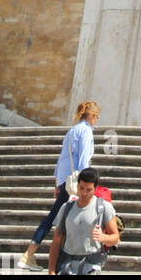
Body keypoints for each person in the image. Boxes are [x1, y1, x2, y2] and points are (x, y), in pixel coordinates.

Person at [19, 99, 100, 270]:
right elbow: (84, 160)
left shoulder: (72, 131)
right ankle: (33, 255)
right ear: (91, 115)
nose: (96, 120)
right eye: (96, 116)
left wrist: (58, 182)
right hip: (77, 182)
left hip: (65, 180)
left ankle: (32, 254)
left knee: (57, 217)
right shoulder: (86, 131)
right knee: (66, 219)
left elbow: (62, 159)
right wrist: (86, 184)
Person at [48, 168, 120, 275]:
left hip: (91, 265)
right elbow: (57, 241)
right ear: (77, 186)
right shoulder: (66, 208)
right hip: (67, 265)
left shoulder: (103, 207)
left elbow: (115, 237)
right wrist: (51, 270)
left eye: (88, 189)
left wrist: (103, 237)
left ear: (95, 188)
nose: (84, 193)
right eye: (81, 188)